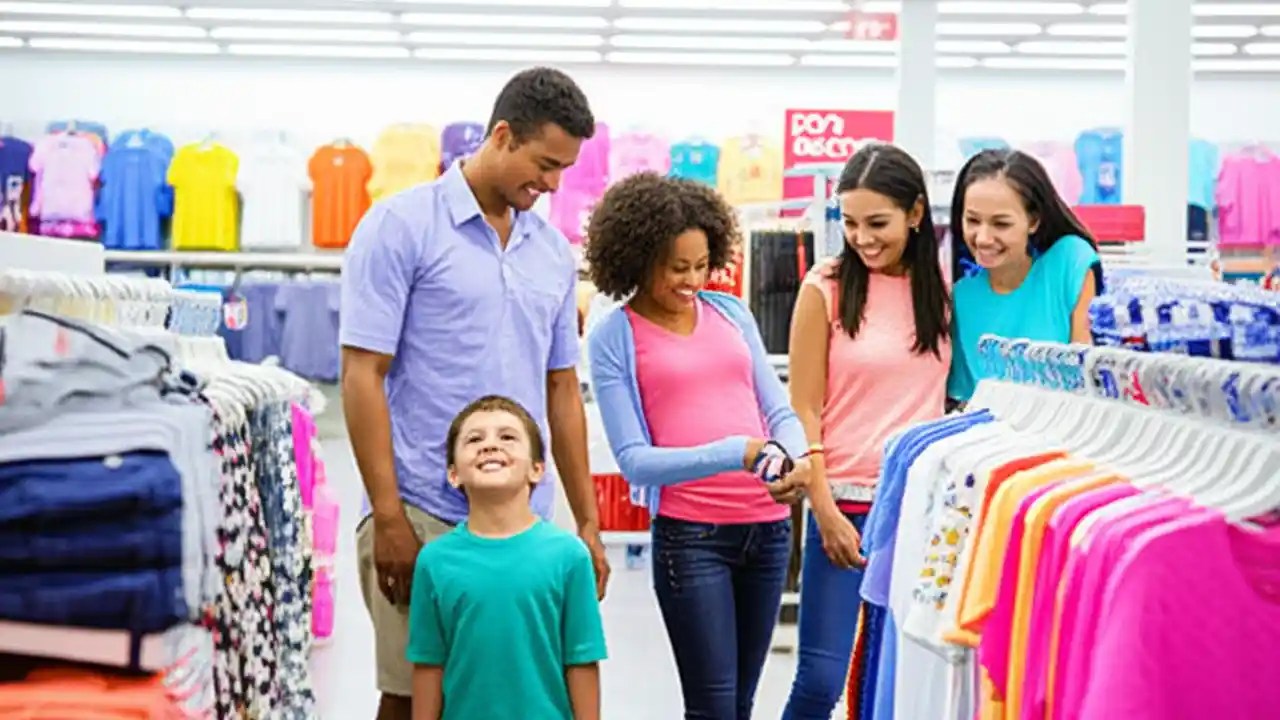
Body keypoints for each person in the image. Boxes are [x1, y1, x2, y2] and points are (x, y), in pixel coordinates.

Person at [339, 66, 610, 720]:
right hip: (421, 506)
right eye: (544, 164)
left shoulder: (550, 251)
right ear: (502, 134)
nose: (551, 185)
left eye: (563, 171)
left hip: (522, 517)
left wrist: (588, 520)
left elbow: (561, 388)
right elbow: (361, 374)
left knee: (511, 689)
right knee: (410, 696)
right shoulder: (401, 227)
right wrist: (390, 516)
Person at [585, 172, 809, 720]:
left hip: (768, 531)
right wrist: (740, 452)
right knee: (711, 708)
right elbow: (634, 459)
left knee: (740, 703)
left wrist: (798, 457)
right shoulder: (615, 334)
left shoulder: (731, 314)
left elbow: (777, 407)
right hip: (692, 539)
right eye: (677, 267)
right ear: (637, 259)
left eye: (702, 265)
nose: (692, 280)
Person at [781, 143, 951, 718]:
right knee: (820, 679)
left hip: (918, 510)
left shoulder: (947, 291)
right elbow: (803, 406)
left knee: (895, 680)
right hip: (843, 504)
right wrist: (822, 506)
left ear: (916, 214)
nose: (862, 237)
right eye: (849, 222)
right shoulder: (823, 287)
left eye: (876, 222)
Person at [407, 395, 607, 720]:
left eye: (507, 437)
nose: (490, 446)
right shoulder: (434, 561)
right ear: (453, 474)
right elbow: (429, 663)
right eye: (474, 439)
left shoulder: (569, 557)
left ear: (537, 469)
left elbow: (582, 660)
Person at [947, 148, 1103, 406]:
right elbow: (966, 398)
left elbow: (1085, 377)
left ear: (1033, 221)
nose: (983, 238)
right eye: (973, 220)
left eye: (1001, 224)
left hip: (1066, 434)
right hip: (992, 439)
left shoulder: (1070, 262)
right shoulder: (961, 298)